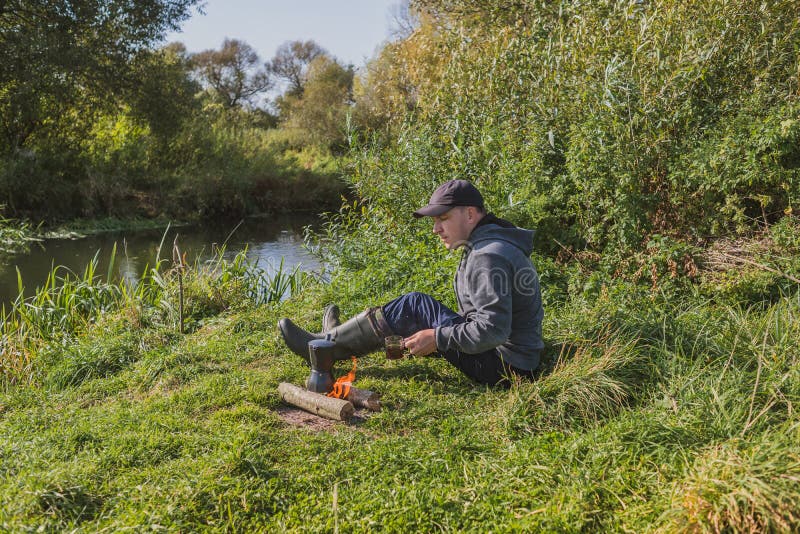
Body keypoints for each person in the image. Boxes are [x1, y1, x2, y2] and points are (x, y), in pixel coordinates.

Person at [278, 179, 544, 386]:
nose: (435, 229)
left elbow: (494, 331)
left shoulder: (487, 256)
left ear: (471, 215)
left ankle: (327, 348)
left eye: (443, 218)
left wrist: (438, 338)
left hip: (506, 368)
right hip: (514, 359)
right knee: (417, 306)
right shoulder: (488, 243)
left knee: (414, 306)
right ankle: (332, 340)